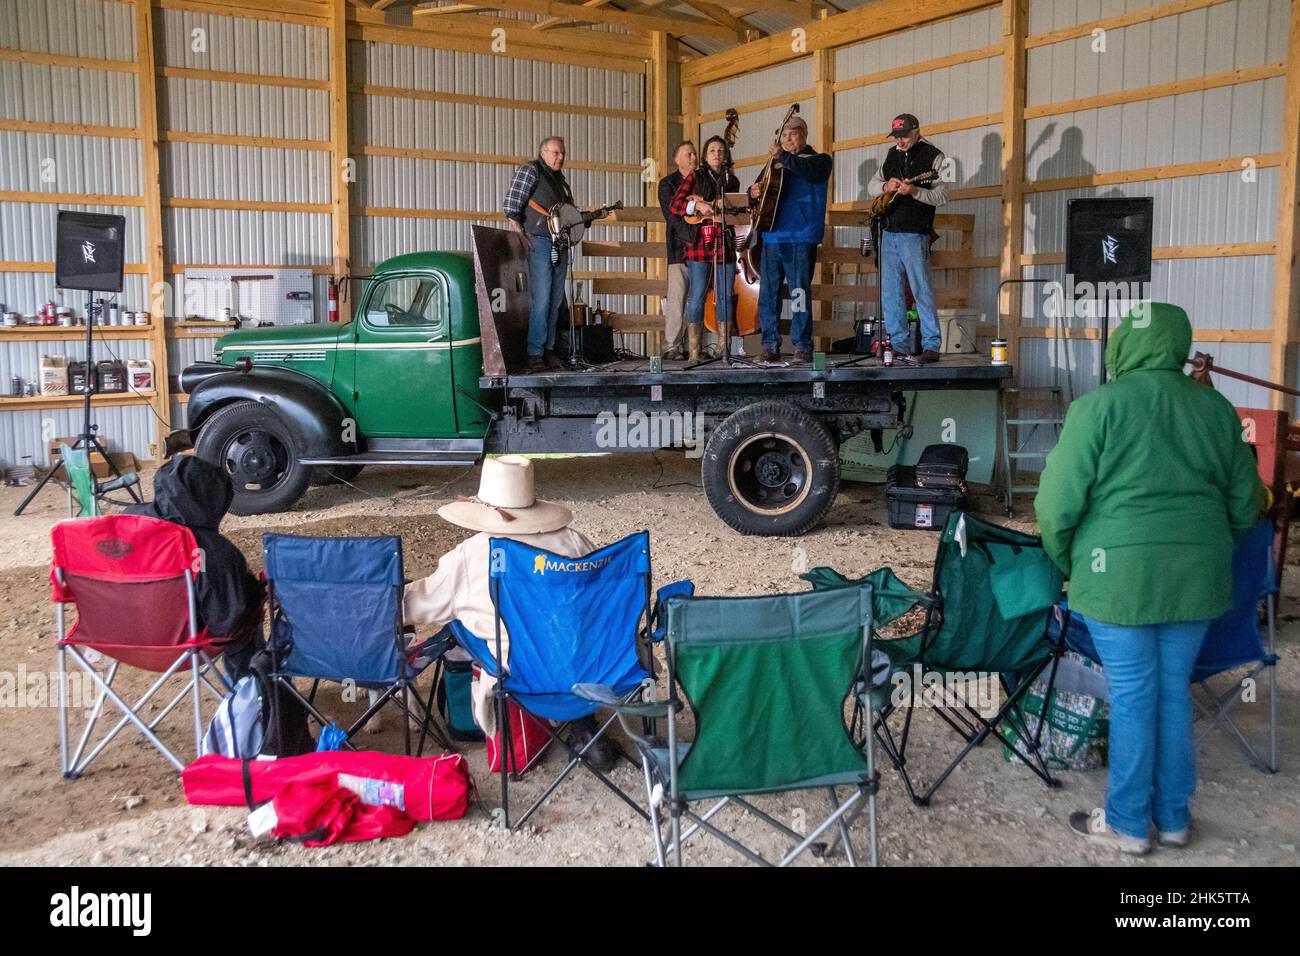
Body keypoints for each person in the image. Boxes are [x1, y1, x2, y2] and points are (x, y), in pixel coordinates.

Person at [1035, 303, 1265, 855]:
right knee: (1171, 694)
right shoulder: (1216, 410)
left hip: (1116, 577)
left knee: (1135, 696)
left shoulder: (1096, 408)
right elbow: (1247, 503)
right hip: (1196, 579)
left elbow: (1055, 505)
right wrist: (1207, 547)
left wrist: (1070, 561)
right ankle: (1174, 817)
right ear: (1178, 343)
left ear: (1122, 347)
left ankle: (1130, 824)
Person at [403, 455, 617, 769]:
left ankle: (501, 725)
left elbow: (419, 606)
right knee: (564, 627)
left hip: (517, 671)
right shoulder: (575, 542)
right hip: (585, 665)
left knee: (459, 623)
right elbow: (605, 601)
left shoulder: (473, 553)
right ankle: (581, 722)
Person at [125, 456, 263, 682]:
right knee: (246, 615)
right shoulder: (214, 551)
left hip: (122, 637)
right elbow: (228, 619)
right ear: (213, 500)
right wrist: (253, 590)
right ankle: (250, 691)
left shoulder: (128, 524)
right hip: (182, 640)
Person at [747, 113, 832, 364]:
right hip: (772, 236)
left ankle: (802, 346)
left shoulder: (819, 160)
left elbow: (806, 169)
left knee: (798, 294)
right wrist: (752, 192)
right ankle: (770, 345)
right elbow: (757, 191)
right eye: (783, 135)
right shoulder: (773, 164)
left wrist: (783, 157)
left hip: (800, 236)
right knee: (768, 295)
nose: (787, 138)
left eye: (792, 134)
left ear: (803, 134)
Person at [866, 113, 949, 364]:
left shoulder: (935, 156)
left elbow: (943, 195)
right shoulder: (891, 155)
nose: (900, 141)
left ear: (916, 132)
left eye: (904, 136)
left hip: (915, 232)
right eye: (897, 136)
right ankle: (897, 343)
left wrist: (915, 191)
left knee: (921, 288)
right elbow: (871, 185)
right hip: (889, 231)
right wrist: (885, 187)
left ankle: (932, 344)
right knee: (891, 292)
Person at [503, 136, 575, 371]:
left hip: (559, 243)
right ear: (543, 152)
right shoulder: (530, 170)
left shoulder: (560, 182)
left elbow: (569, 215)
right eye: (556, 153)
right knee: (542, 298)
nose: (560, 157)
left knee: (555, 301)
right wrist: (520, 235)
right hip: (540, 241)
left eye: (562, 153)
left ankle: (549, 350)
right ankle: (535, 352)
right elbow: (511, 205)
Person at [670, 135, 741, 365]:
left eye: (721, 150)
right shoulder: (695, 176)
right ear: (705, 155)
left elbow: (737, 212)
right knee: (697, 295)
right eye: (712, 150)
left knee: (725, 295)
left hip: (725, 240)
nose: (717, 154)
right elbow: (676, 204)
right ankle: (693, 351)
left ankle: (724, 348)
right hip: (700, 240)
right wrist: (698, 204)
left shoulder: (732, 181)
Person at [658, 141, 698, 361]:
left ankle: (694, 345)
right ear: (677, 159)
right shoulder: (667, 184)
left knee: (698, 297)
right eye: (688, 154)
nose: (693, 157)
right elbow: (672, 217)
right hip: (679, 248)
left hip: (703, 250)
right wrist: (692, 236)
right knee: (677, 298)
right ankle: (671, 345)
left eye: (694, 153)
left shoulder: (701, 181)